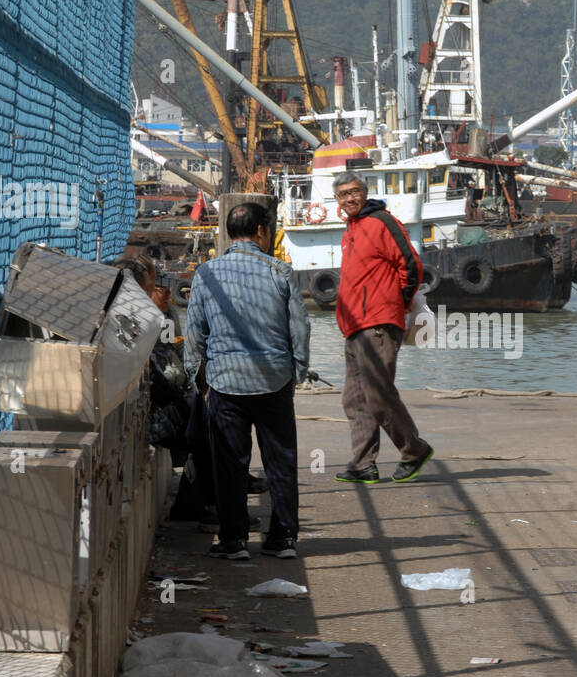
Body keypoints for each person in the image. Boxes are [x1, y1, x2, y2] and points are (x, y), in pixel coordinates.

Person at [184, 202, 309, 560]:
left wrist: (200, 380)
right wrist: (297, 371)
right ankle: (283, 538)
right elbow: (300, 327)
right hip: (275, 378)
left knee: (230, 462)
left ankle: (234, 541)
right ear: (260, 232)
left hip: (225, 382)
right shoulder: (281, 271)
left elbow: (195, 333)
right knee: (281, 460)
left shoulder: (206, 274)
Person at [331, 171, 434, 484]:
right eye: (343, 194)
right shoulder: (351, 230)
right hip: (354, 326)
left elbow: (412, 266)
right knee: (354, 398)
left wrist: (397, 305)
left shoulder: (382, 222)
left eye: (355, 191)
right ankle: (363, 464)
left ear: (364, 192)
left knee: (376, 393)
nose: (350, 198)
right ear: (336, 199)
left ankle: (413, 450)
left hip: (378, 321)